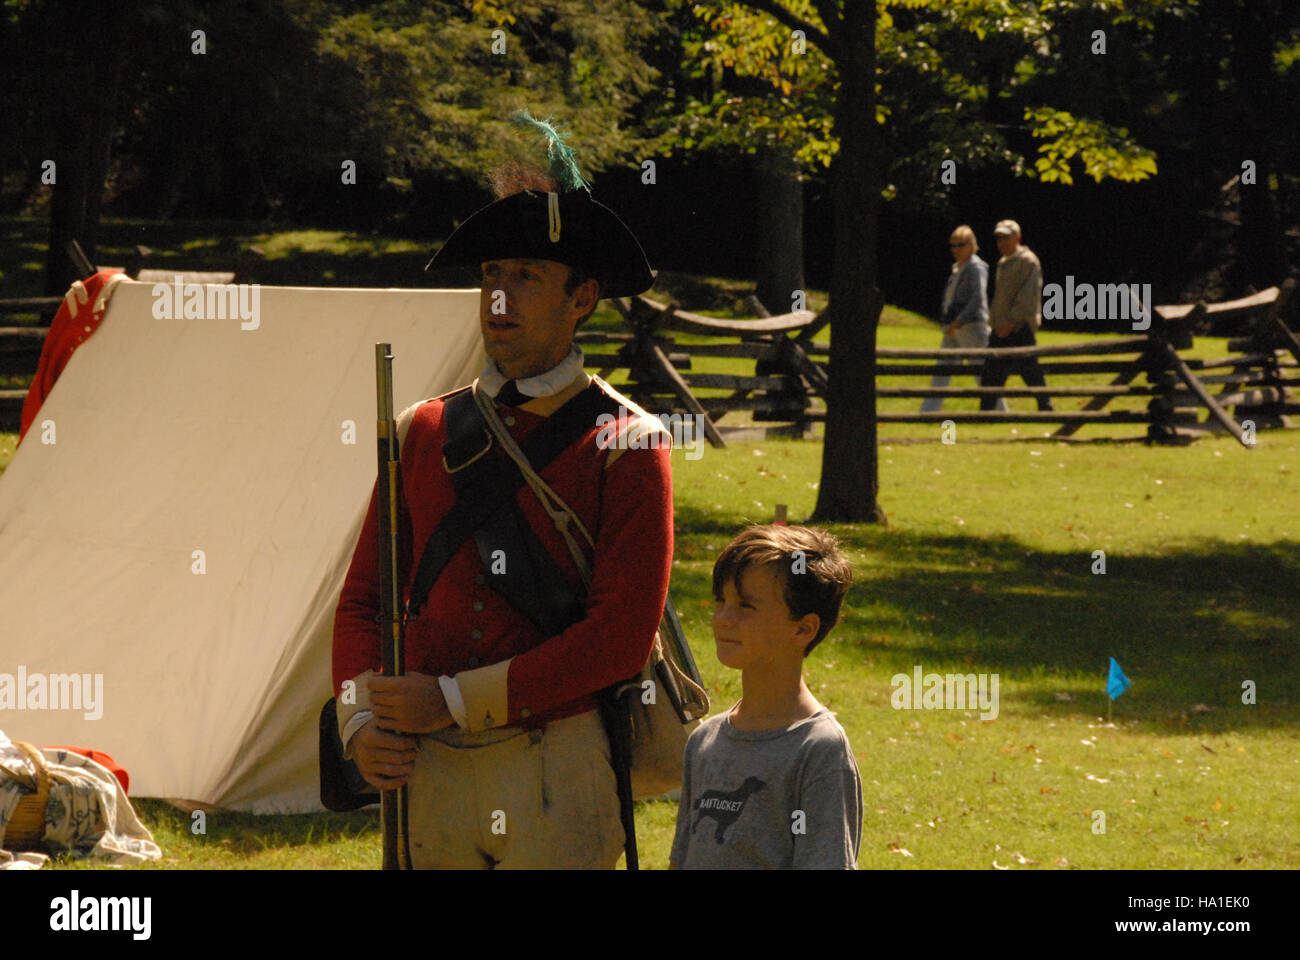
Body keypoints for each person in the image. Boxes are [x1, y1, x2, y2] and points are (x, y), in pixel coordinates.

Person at [332, 114, 673, 869]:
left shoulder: (630, 439)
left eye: (525, 277)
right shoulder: (423, 428)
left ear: (581, 297)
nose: (498, 298)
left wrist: (452, 698)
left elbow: (619, 639)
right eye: (491, 275)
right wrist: (359, 722)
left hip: (557, 763)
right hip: (431, 768)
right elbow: (362, 600)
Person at [670, 524, 862, 870]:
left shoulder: (818, 750)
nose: (723, 619)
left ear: (803, 629)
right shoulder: (703, 742)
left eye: (745, 606)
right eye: (721, 601)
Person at [920, 225, 1005, 413]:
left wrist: (959, 321)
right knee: (943, 368)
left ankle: (1000, 411)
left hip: (972, 327)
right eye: (953, 245)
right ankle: (928, 412)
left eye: (960, 245)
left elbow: (977, 298)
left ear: (971, 245)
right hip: (954, 327)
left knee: (982, 370)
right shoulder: (959, 268)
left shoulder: (975, 267)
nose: (955, 249)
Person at [980, 220, 1054, 412]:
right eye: (999, 238)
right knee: (992, 373)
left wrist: (1011, 321)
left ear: (1017, 238)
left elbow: (1028, 296)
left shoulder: (1028, 261)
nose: (1002, 243)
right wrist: (995, 322)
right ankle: (984, 414)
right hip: (1001, 328)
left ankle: (1046, 409)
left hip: (1019, 328)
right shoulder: (1003, 263)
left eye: (1006, 238)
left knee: (1030, 371)